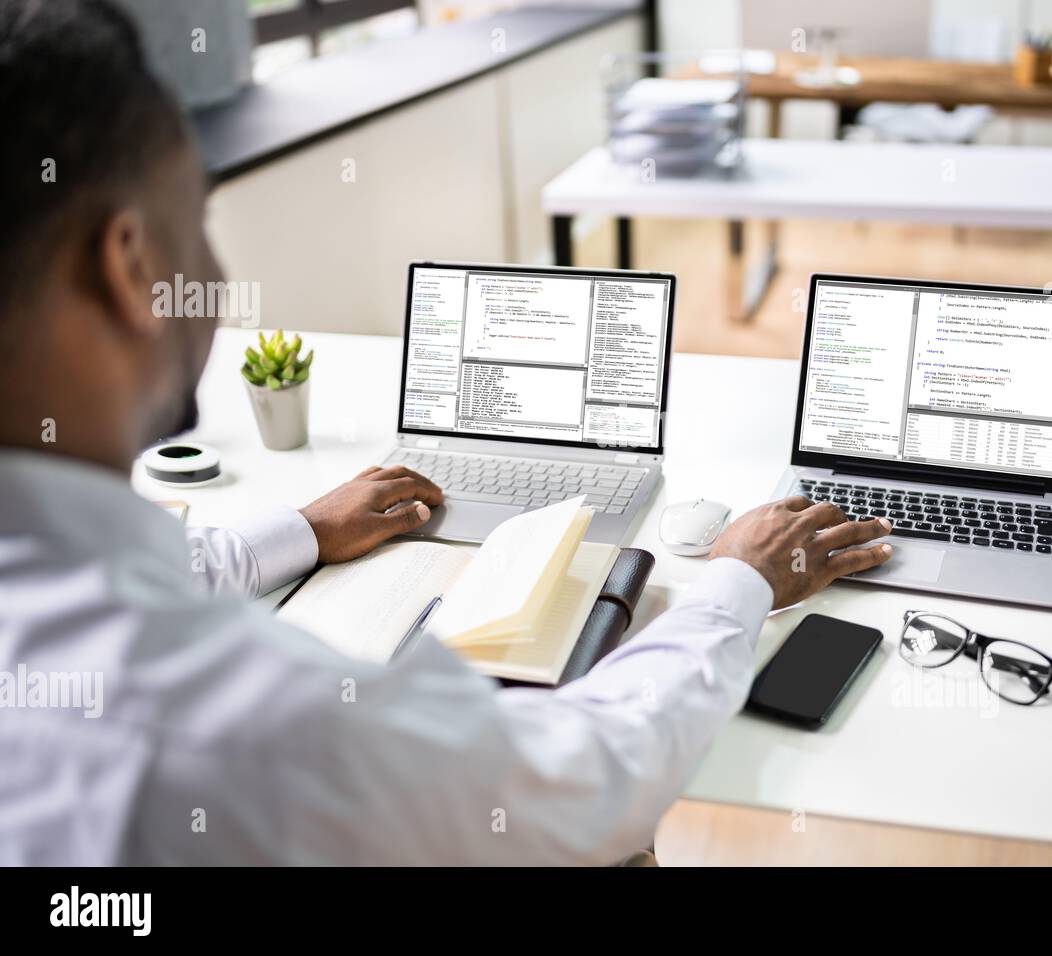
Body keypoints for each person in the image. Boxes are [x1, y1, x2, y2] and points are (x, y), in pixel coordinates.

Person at [0, 0, 893, 865]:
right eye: (196, 220)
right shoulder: (224, 727)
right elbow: (581, 784)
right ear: (131, 265)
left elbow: (170, 571)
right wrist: (736, 582)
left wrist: (306, 529)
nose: (215, 272)